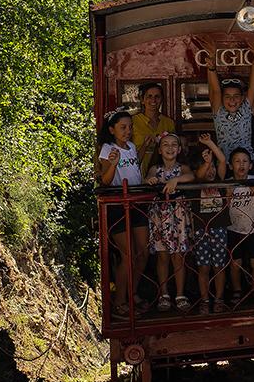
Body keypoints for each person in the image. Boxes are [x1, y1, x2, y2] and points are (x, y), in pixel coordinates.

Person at [97, 109, 148, 317]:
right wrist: (113, 164)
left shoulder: (132, 147)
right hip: (119, 205)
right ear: (112, 130)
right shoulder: (107, 149)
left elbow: (135, 166)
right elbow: (105, 179)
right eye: (123, 127)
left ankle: (131, 292)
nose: (128, 131)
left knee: (143, 252)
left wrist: (146, 147)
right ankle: (119, 301)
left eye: (130, 127)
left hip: (137, 203)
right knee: (127, 255)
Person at [145, 133, 194, 312]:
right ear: (159, 149)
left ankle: (180, 294)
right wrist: (150, 180)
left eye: (174, 144)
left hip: (178, 214)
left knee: (178, 255)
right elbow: (147, 178)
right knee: (162, 255)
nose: (170, 147)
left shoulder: (183, 168)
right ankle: (164, 294)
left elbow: (191, 177)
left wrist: (176, 180)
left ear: (179, 149)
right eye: (166, 144)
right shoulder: (155, 168)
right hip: (160, 214)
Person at [203, 43, 254, 166]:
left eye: (236, 96)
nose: (232, 100)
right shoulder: (218, 113)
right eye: (228, 97)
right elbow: (216, 90)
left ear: (242, 99)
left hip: (250, 166)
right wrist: (212, 68)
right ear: (222, 99)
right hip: (225, 166)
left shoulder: (247, 110)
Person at [187, 134, 229, 314]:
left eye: (212, 166)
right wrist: (206, 162)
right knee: (203, 267)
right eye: (206, 167)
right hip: (200, 230)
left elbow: (222, 160)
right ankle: (205, 299)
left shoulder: (219, 179)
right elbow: (201, 174)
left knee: (218, 265)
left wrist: (209, 144)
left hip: (219, 228)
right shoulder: (196, 183)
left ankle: (219, 299)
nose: (211, 170)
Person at [226, 147, 254, 306]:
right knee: (236, 263)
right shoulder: (228, 183)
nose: (241, 164)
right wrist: (228, 195)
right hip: (233, 229)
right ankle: (237, 290)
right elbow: (225, 208)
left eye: (245, 161)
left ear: (250, 165)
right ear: (230, 166)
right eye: (237, 161)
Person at [131, 82, 176, 176]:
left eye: (157, 96)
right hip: (137, 170)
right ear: (142, 100)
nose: (153, 100)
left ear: (162, 100)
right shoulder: (132, 122)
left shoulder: (169, 123)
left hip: (163, 172)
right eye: (149, 96)